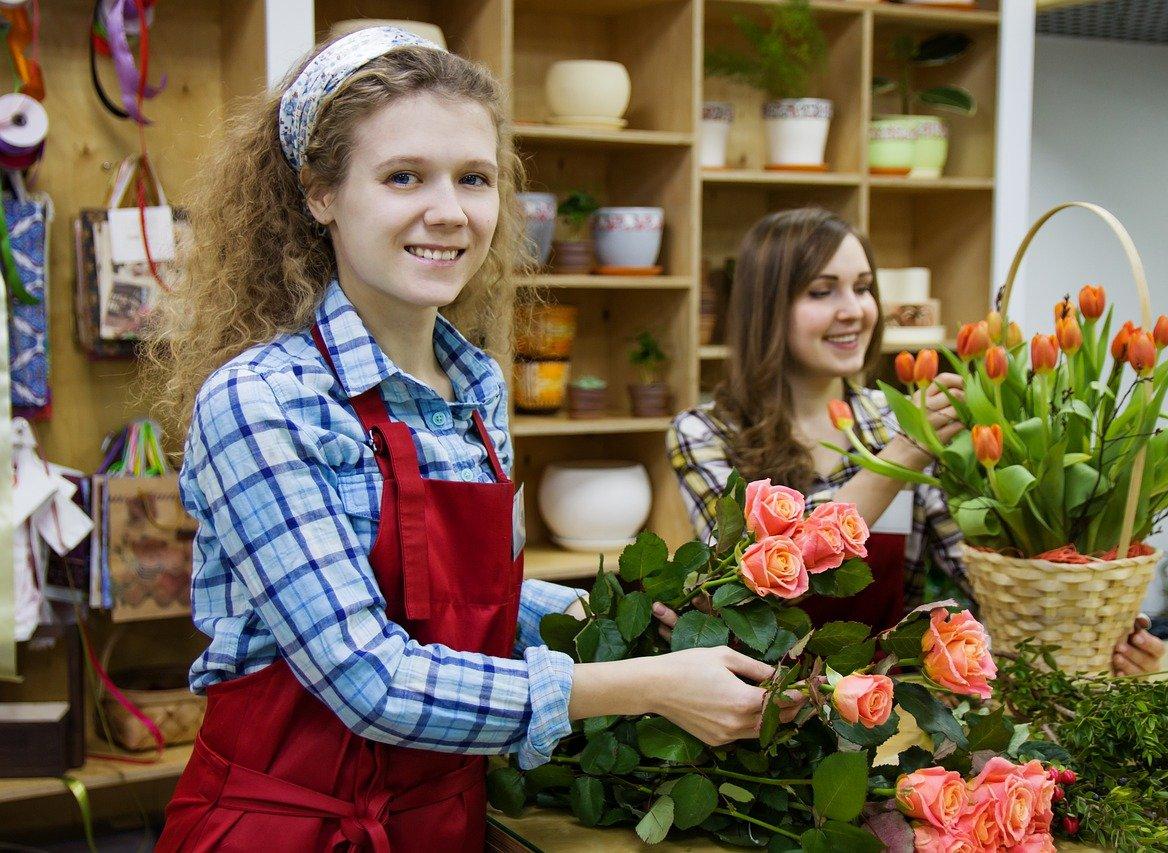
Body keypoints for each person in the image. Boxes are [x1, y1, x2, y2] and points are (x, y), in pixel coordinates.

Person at [149, 29, 785, 851]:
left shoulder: (477, 389)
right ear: (319, 194)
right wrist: (645, 684)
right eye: (403, 176)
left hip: (444, 821)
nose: (447, 211)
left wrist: (610, 613)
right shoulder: (265, 401)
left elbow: (441, 604)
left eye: (474, 178)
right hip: (289, 826)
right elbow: (371, 677)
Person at [666, 208, 1165, 675]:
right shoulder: (705, 434)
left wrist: (1092, 633)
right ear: (767, 308)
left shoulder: (893, 421)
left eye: (863, 288)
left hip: (890, 705)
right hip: (755, 706)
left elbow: (980, 581)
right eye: (822, 292)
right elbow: (746, 589)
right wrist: (903, 453)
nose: (854, 310)